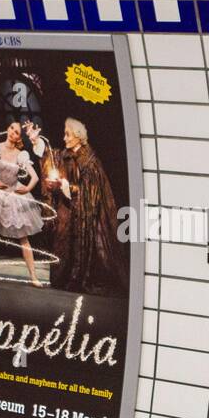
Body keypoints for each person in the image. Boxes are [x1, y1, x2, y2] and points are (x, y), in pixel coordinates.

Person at [42, 117, 128, 296]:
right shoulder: (65, 154)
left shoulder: (90, 160)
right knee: (62, 239)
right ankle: (63, 277)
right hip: (67, 210)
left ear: (78, 137)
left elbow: (90, 190)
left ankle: (78, 277)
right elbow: (52, 156)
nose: (64, 138)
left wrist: (66, 186)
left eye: (68, 134)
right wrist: (37, 142)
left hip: (85, 214)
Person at [0, 121, 45, 286]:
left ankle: (33, 276)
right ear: (7, 129)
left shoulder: (21, 154)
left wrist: (27, 189)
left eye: (17, 131)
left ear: (19, 136)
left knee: (23, 237)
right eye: (12, 128)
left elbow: (35, 177)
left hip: (13, 194)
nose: (13, 132)